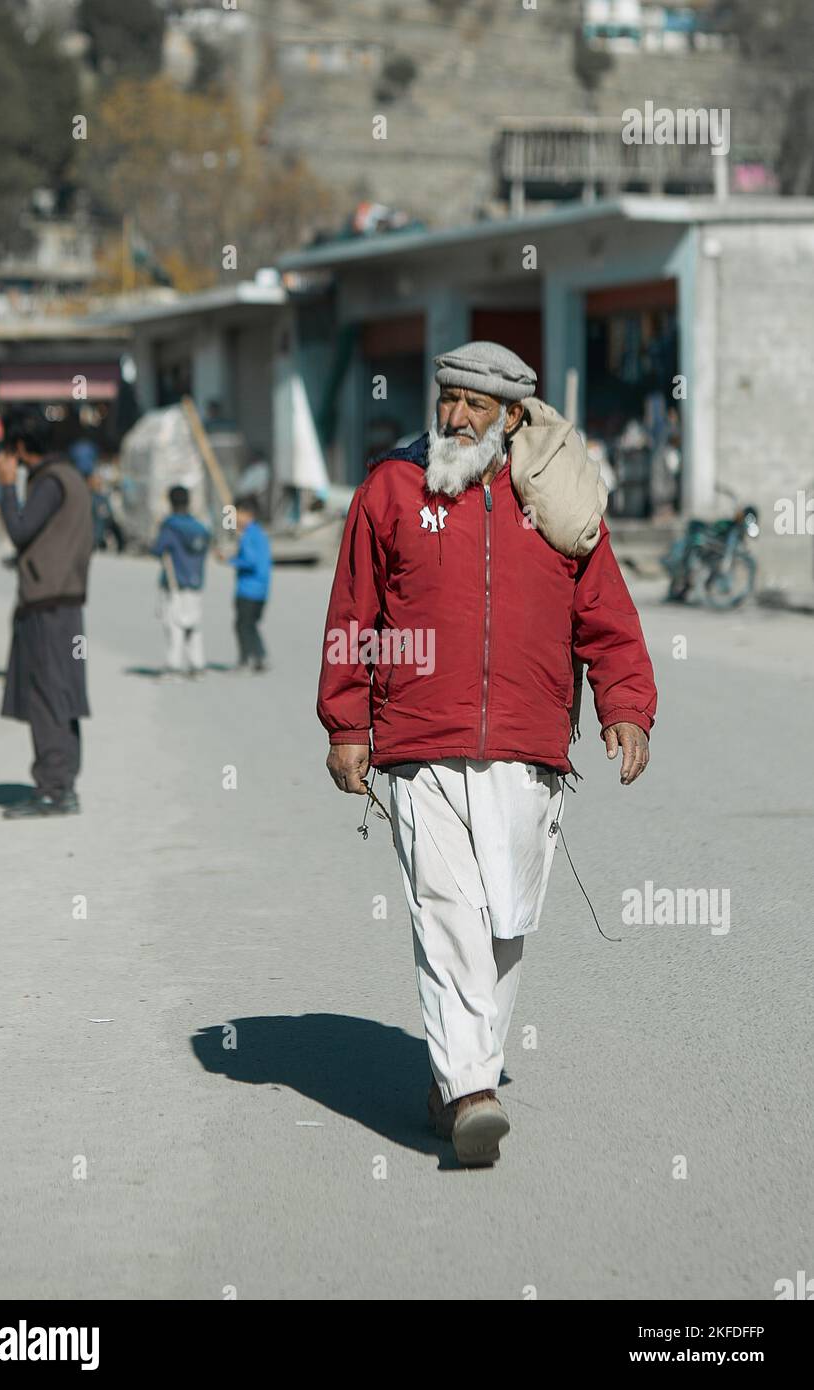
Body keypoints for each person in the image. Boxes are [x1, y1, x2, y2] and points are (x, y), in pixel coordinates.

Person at [317, 341, 657, 1168]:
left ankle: (453, 1075)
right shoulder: (393, 488)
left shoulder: (558, 500)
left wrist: (625, 705)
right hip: (418, 743)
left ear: (511, 416)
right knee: (446, 908)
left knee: (506, 923)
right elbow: (353, 612)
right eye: (448, 399)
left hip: (527, 745)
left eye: (475, 405)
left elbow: (605, 616)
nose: (456, 416)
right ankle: (472, 1088)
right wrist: (346, 723)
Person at [0, 410, 94, 818]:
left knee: (47, 694)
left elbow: (20, 530)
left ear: (19, 447)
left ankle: (53, 788)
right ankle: (62, 783)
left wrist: (5, 487)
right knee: (61, 692)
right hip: (62, 603)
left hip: (48, 606)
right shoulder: (68, 476)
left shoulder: (49, 482)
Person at [151, 486, 211, 678]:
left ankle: (174, 665)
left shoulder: (170, 526)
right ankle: (197, 664)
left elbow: (158, 549)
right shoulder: (200, 528)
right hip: (196, 583)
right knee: (194, 625)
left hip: (175, 582)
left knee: (174, 625)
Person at [227, 496, 271, 672]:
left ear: (247, 514)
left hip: (248, 590)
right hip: (261, 590)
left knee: (242, 625)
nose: (235, 518)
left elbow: (250, 561)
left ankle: (245, 660)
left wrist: (231, 560)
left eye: (237, 513)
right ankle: (259, 657)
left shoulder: (249, 536)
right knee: (251, 625)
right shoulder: (259, 534)